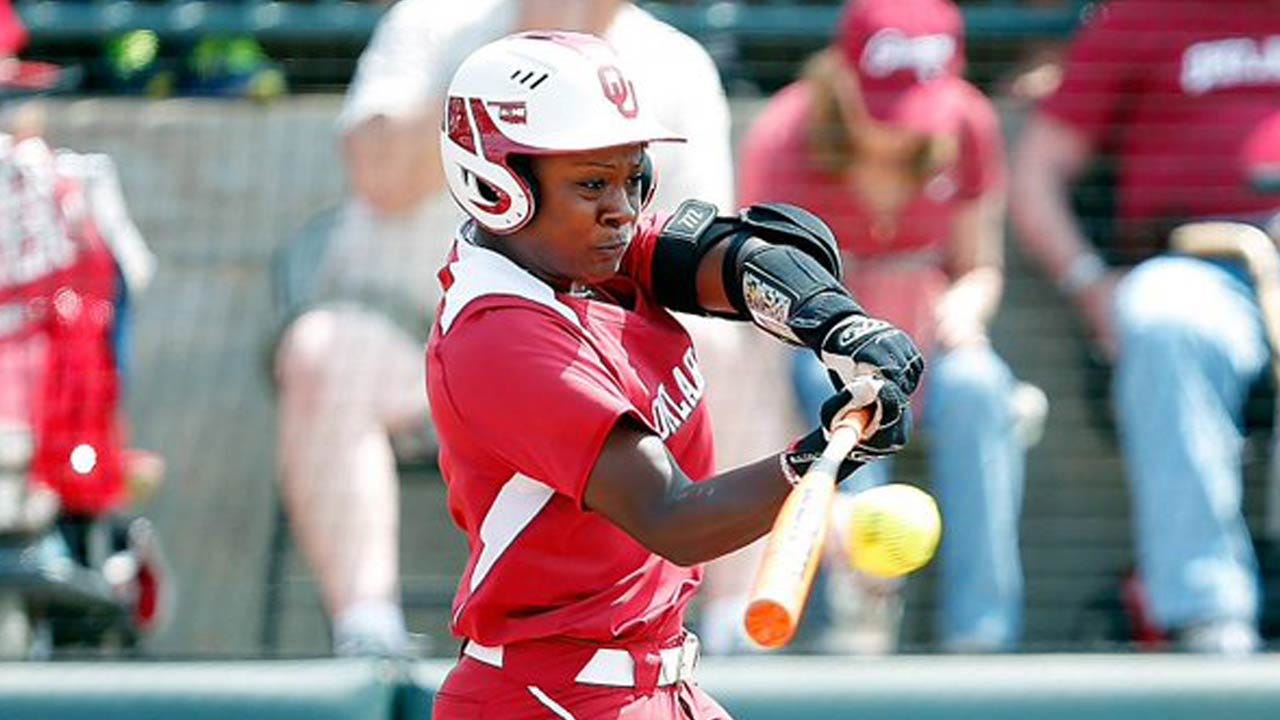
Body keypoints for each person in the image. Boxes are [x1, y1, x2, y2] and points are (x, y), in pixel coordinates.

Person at [428, 31, 922, 719]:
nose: (623, 209)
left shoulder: (578, 254)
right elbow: (672, 518)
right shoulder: (502, 335)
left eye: (634, 177)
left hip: (648, 684)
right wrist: (822, 460)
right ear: (498, 185)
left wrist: (841, 328)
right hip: (553, 696)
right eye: (593, 184)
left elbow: (732, 258)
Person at [273, 0, 754, 658]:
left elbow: (683, 253)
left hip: (583, 342)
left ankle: (733, 628)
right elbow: (378, 176)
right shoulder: (433, 22)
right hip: (411, 336)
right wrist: (520, 63)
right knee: (319, 353)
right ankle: (368, 637)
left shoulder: (676, 61)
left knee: (725, 348)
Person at [736, 0, 1038, 653]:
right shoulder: (784, 133)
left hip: (930, 342)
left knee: (984, 389)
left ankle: (982, 639)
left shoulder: (970, 122)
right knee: (839, 398)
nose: (898, 131)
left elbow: (979, 267)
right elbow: (751, 289)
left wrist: (965, 307)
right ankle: (852, 632)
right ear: (841, 73)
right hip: (821, 350)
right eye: (881, 104)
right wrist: (844, 345)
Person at [1012, 0, 1280, 654]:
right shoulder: (1143, 14)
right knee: (1159, 316)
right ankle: (1208, 621)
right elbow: (1033, 176)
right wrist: (1091, 286)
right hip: (1202, 266)